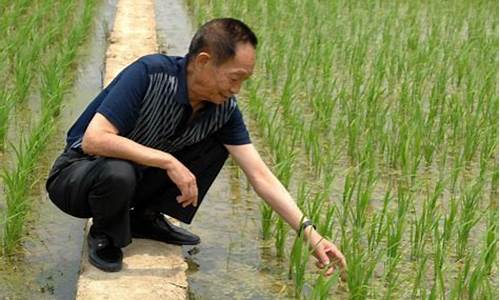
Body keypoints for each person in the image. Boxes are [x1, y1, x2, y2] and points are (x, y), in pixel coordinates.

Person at [45, 18, 346, 275]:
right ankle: (105, 234)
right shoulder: (149, 74)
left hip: (134, 177)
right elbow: (94, 139)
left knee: (217, 145)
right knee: (118, 170)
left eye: (244, 81)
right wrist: (168, 161)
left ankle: (144, 218)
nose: (236, 89)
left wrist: (312, 235)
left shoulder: (223, 110)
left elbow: (260, 176)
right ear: (203, 61)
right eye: (234, 78)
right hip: (78, 176)